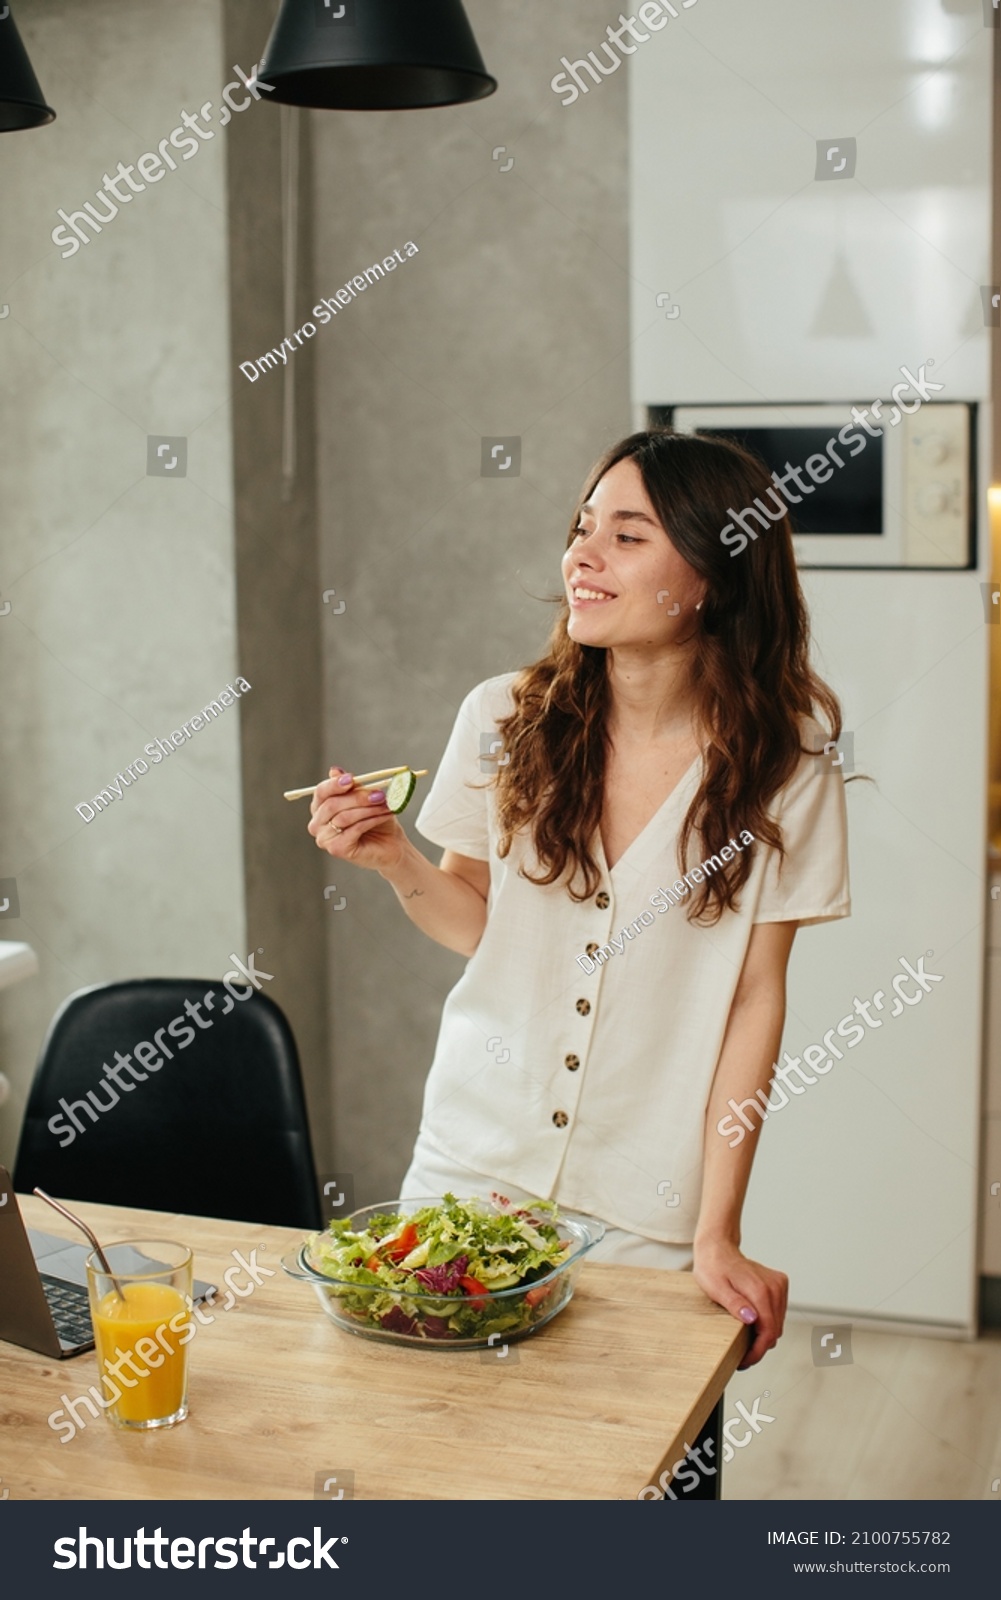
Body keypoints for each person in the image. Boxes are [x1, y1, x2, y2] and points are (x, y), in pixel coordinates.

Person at [308, 429, 850, 1370]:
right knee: (433, 1461)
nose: (581, 556)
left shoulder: (787, 760)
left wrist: (717, 1228)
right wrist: (396, 859)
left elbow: (756, 998)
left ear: (715, 572)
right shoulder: (502, 718)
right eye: (581, 526)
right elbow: (478, 923)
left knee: (618, 1484)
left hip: (645, 1205)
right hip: (466, 1171)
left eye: (627, 536)